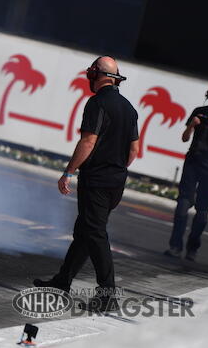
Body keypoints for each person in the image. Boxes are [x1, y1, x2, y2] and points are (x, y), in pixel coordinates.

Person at [34, 56, 139, 311]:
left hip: (97, 180)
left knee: (95, 233)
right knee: (85, 231)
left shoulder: (97, 103)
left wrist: (68, 172)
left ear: (97, 75)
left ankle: (107, 294)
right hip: (116, 181)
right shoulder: (129, 108)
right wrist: (116, 170)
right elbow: (134, 150)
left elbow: (88, 142)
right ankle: (62, 281)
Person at [164, 81, 208, 261]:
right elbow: (184, 138)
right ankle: (175, 246)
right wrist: (192, 125)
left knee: (202, 209)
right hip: (193, 162)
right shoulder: (200, 111)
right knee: (182, 205)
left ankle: (193, 247)